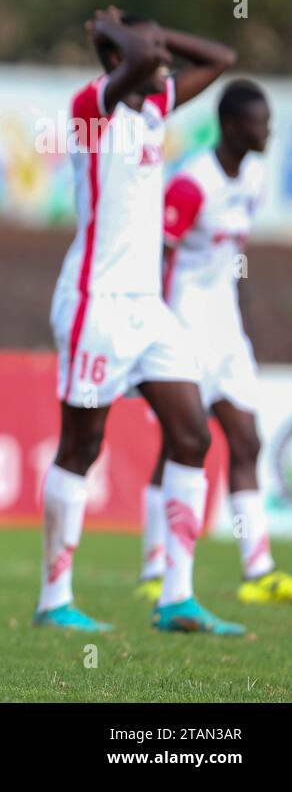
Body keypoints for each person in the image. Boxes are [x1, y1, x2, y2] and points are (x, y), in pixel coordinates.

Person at [37, 6, 245, 635]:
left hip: (148, 309)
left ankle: (177, 596)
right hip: (93, 302)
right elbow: (143, 63)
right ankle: (55, 600)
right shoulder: (92, 109)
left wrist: (145, 34)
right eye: (152, 51)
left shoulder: (154, 108)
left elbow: (222, 59)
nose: (166, 62)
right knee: (83, 446)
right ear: (115, 57)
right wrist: (122, 39)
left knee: (193, 435)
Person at [136, 79, 291, 606]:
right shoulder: (189, 185)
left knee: (246, 440)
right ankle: (155, 569)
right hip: (180, 326)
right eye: (258, 122)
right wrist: (150, 329)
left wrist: (241, 320)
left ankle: (258, 569)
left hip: (225, 329)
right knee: (181, 443)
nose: (267, 130)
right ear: (230, 126)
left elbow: (235, 260)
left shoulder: (254, 175)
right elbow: (156, 256)